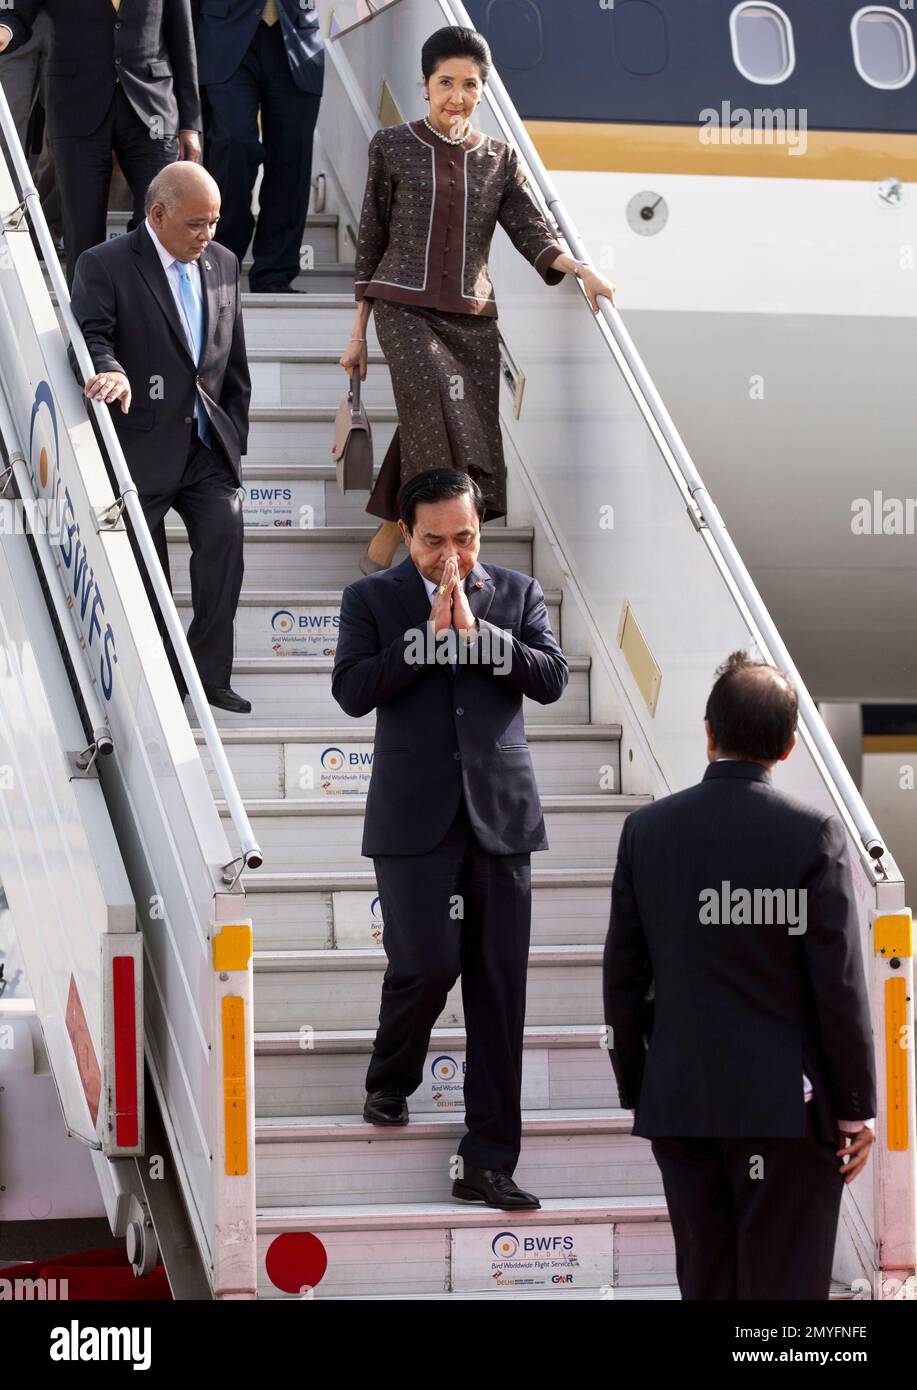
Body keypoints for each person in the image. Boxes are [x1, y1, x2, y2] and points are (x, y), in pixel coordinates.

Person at [603, 651, 877, 1300]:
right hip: (784, 1108)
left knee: (705, 1277)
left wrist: (637, 1086)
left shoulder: (645, 831)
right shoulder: (812, 836)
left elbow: (623, 977)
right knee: (781, 1292)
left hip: (680, 1102)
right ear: (786, 748)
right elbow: (835, 985)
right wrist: (854, 1111)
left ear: (707, 731)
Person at [331, 468, 568, 1209]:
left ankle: (487, 1159)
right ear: (407, 535)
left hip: (500, 819)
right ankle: (389, 1076)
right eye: (435, 542)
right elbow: (351, 691)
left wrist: (481, 638)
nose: (452, 556)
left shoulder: (518, 594)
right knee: (426, 965)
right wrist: (420, 643)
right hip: (412, 821)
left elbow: (551, 678)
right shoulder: (369, 599)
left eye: (464, 538)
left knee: (499, 989)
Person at [339, 25, 616, 576]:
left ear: (483, 89)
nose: (457, 97)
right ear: (424, 85)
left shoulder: (500, 158)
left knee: (459, 432)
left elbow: (532, 232)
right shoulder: (391, 146)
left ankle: (391, 535)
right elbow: (371, 241)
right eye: (446, 83)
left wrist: (581, 269)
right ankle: (440, 559)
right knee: (437, 419)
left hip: (471, 318)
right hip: (403, 308)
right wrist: (357, 333)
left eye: (470, 85)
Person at [69, 163, 252, 714]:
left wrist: (234, 433)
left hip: (206, 445)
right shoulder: (104, 264)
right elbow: (92, 333)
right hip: (139, 446)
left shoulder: (222, 263)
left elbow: (232, 357)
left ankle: (208, 676)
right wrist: (111, 369)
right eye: (198, 223)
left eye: (215, 222)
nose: (208, 235)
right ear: (157, 214)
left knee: (224, 543)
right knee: (148, 573)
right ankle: (157, 680)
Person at [0, 1, 201, 287]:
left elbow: (182, 38)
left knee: (160, 223)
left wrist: (190, 123)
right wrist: (5, 28)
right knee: (82, 232)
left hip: (152, 106)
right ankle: (87, 327)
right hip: (76, 104)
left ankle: (145, 315)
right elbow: (18, 11)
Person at [193, 0, 323, 293]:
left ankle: (274, 273)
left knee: (292, 159)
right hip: (224, 33)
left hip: (298, 39)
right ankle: (221, 259)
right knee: (233, 143)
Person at [0, 7, 62, 250]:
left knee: (63, 137)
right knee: (7, 130)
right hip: (9, 15)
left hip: (69, 18)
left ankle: (44, 230)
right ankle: (7, 224)